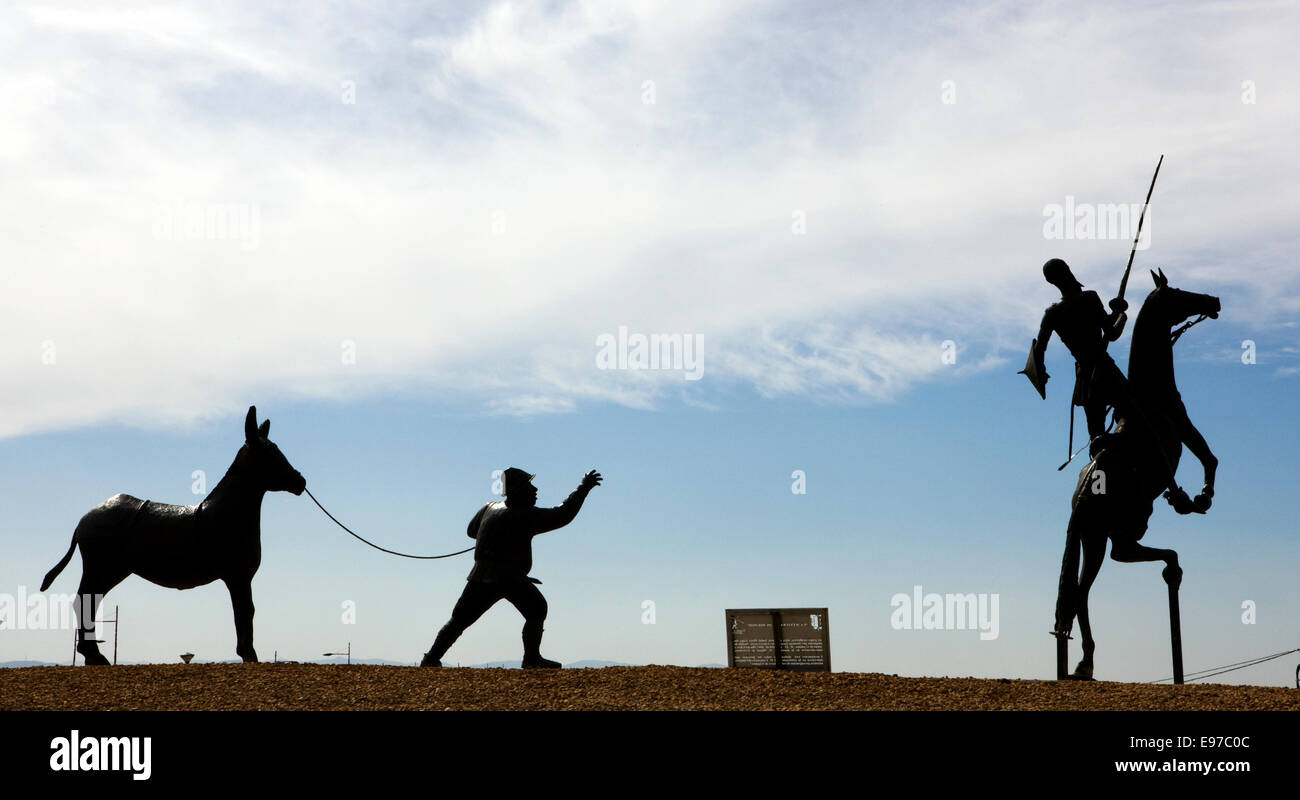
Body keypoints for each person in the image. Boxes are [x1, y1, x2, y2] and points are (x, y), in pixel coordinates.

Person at [420, 467, 602, 669]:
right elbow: (562, 514)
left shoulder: (490, 507)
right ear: (517, 490)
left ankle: (431, 658)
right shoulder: (525, 515)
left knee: (460, 619)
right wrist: (583, 488)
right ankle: (532, 658)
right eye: (529, 485)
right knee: (537, 609)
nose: (535, 489)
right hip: (509, 578)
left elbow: (472, 530)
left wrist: (494, 535)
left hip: (481, 576)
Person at [1027, 258, 1133, 453]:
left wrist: (1041, 372)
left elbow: (1039, 351)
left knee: (1096, 437)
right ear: (1068, 271)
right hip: (1105, 371)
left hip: (1085, 378)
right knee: (1135, 413)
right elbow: (1112, 334)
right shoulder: (1090, 298)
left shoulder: (1052, 314)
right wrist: (1121, 316)